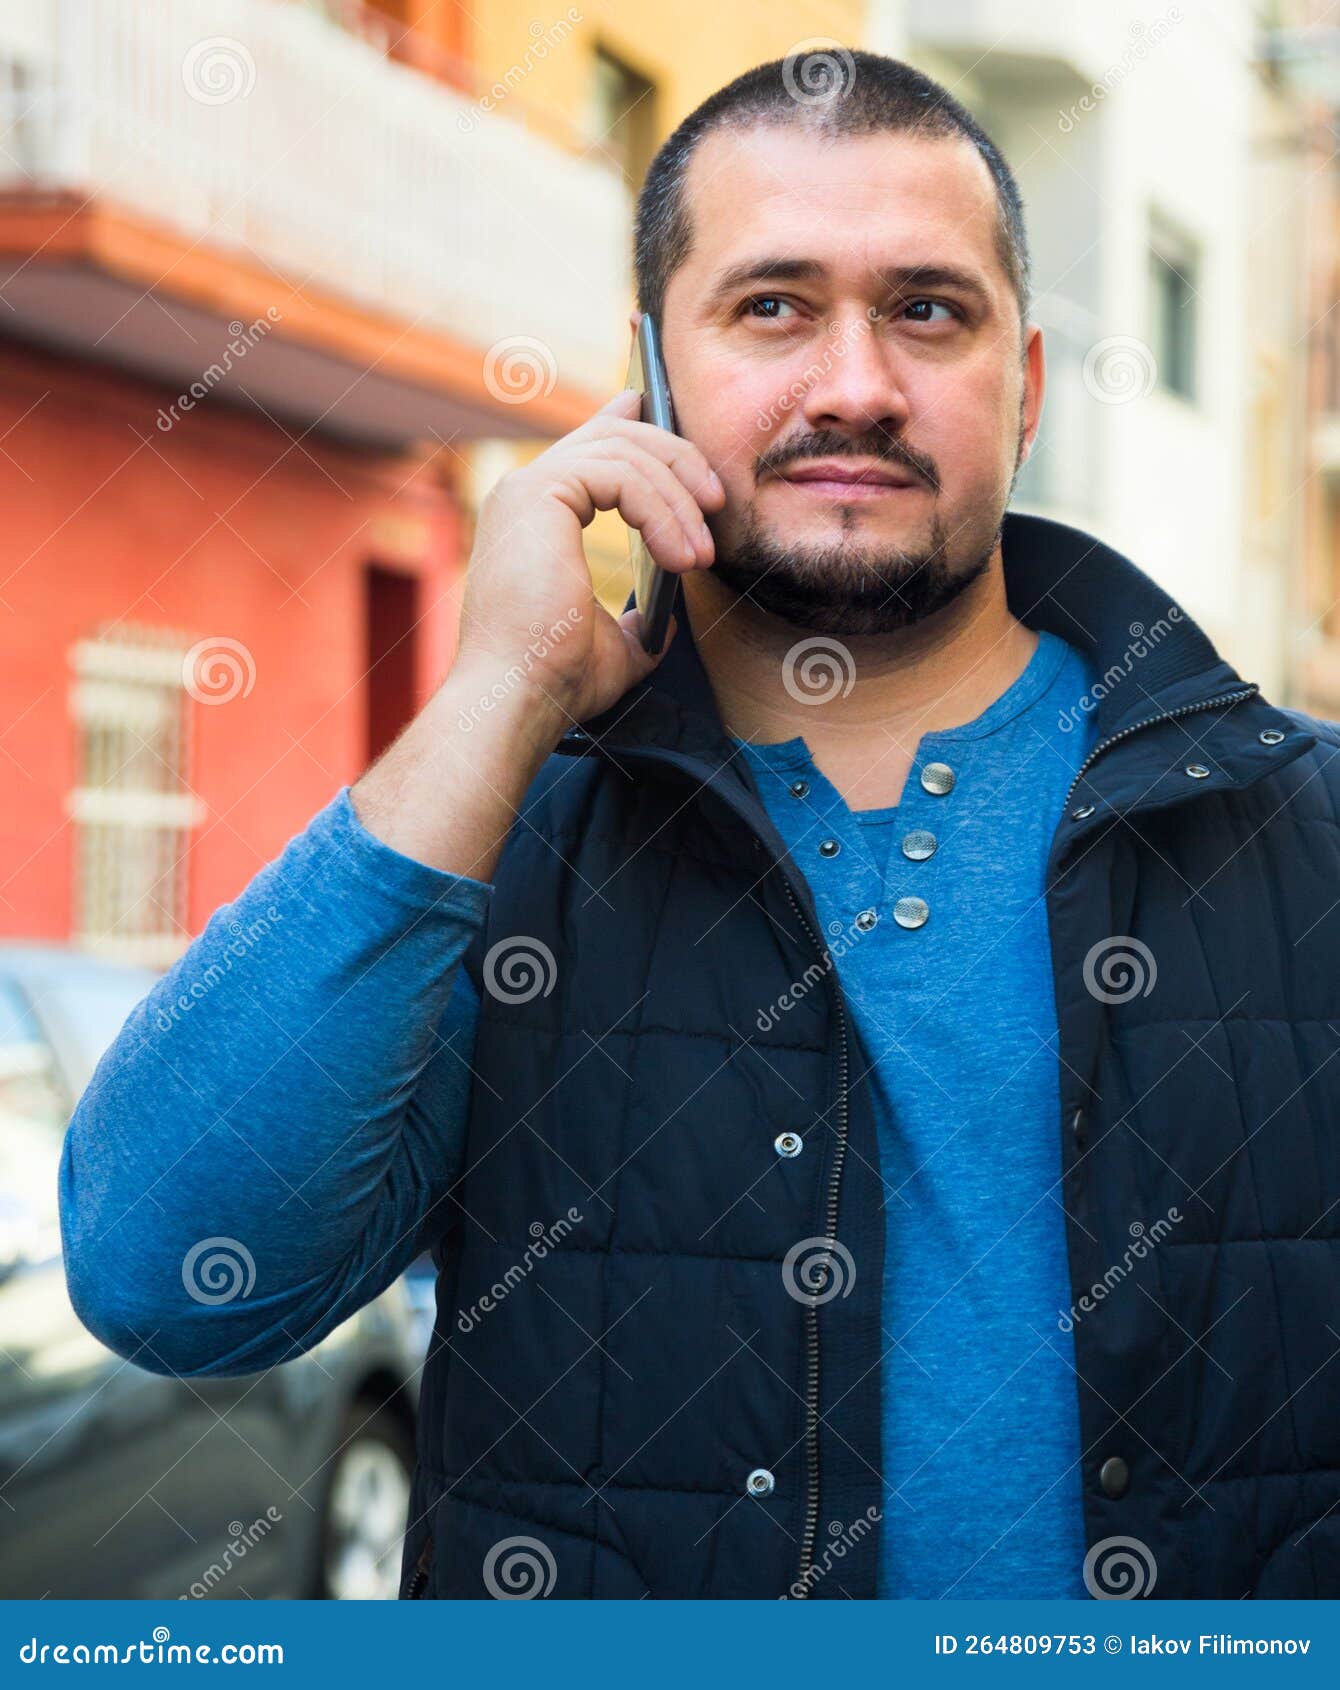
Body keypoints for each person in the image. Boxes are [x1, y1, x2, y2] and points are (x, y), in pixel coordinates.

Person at [59, 50, 1340, 1601]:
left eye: (928, 310)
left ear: (1030, 382)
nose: (856, 383)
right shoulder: (502, 847)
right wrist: (497, 695)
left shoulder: (1299, 827)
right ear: (649, 375)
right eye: (773, 308)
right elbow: (163, 1275)